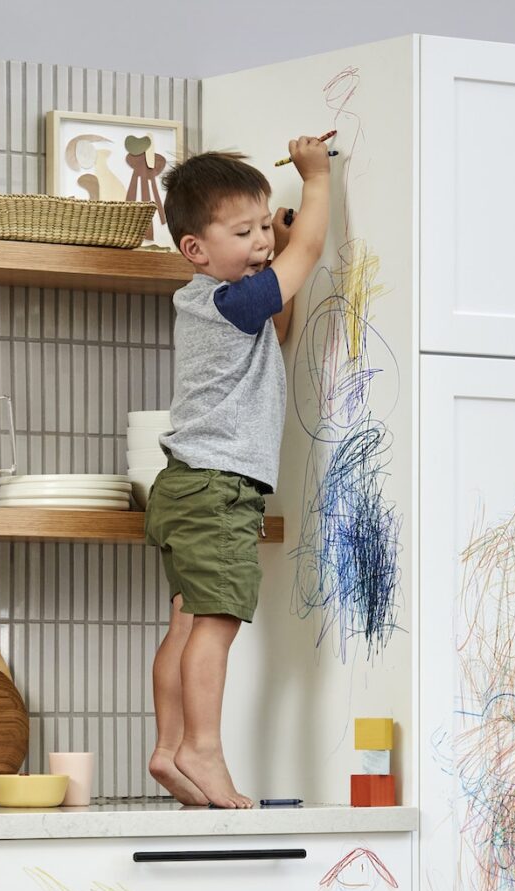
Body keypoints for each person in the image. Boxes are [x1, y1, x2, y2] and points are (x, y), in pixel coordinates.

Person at [145, 141, 332, 808]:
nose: (261, 242)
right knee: (216, 626)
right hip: (219, 489)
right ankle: (202, 749)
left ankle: (170, 747)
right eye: (243, 232)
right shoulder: (230, 303)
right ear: (195, 249)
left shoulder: (209, 302)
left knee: (186, 624)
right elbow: (307, 252)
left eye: (262, 228)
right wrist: (316, 180)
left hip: (184, 486)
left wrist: (271, 249)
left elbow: (278, 327)